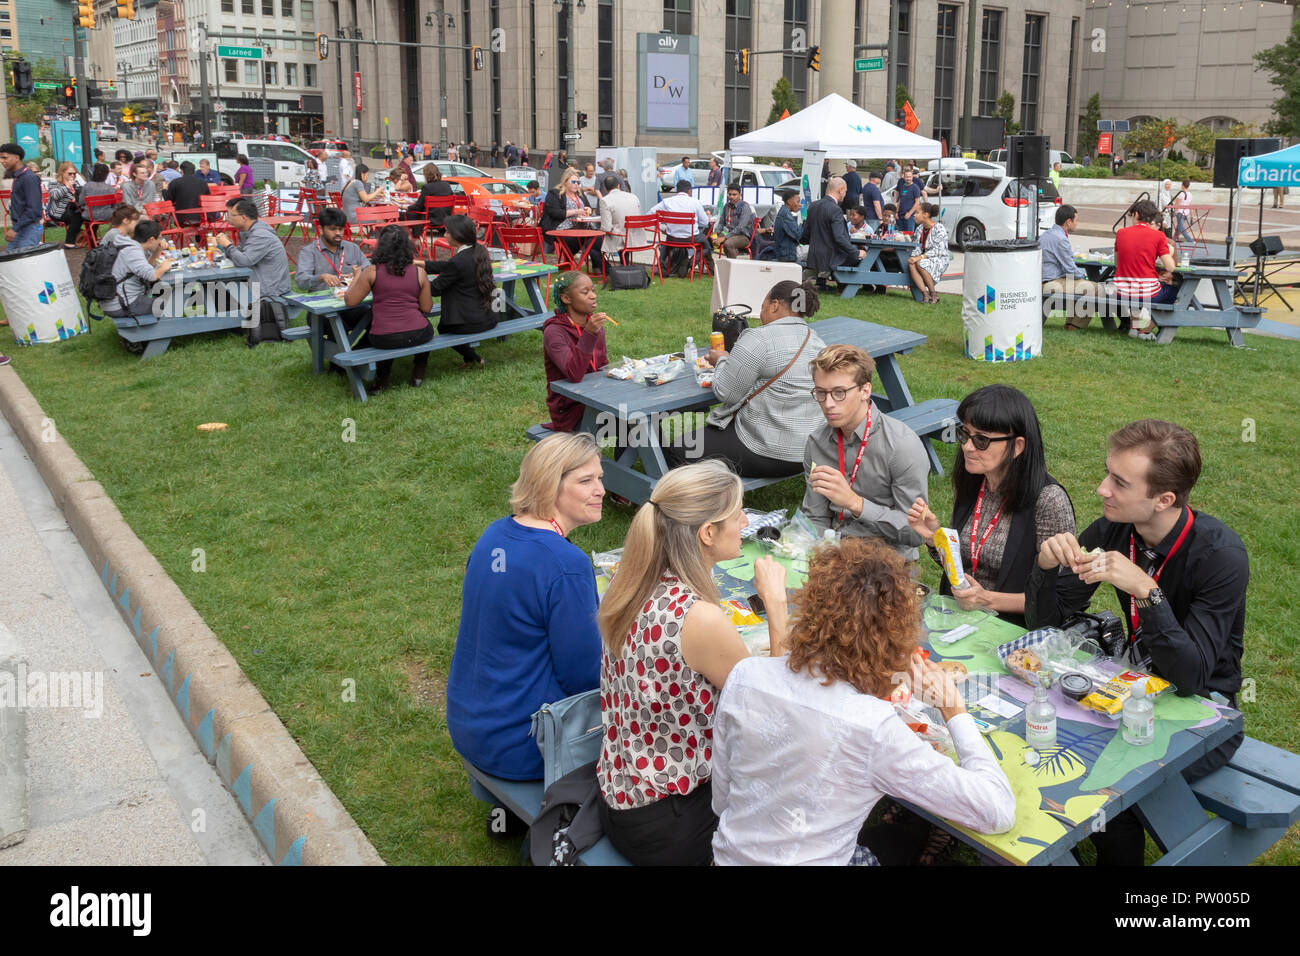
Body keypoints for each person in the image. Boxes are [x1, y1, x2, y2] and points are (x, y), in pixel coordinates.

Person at [710, 536, 1016, 866]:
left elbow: (722, 799)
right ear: (896, 635)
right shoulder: (872, 726)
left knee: (896, 841)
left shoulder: (745, 675)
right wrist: (954, 709)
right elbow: (995, 810)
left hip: (729, 859)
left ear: (812, 606)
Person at [1026, 419, 1248, 865]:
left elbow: (1191, 678)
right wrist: (1046, 568)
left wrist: (1149, 592)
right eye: (1108, 474)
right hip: (1130, 686)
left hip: (1205, 712)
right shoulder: (1116, 529)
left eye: (1119, 482)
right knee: (1037, 729)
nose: (1102, 489)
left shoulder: (1221, 556)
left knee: (1104, 777)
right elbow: (1046, 625)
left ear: (1163, 499)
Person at [596, 461, 788, 865]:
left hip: (624, 793)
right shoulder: (696, 618)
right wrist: (776, 605)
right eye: (738, 513)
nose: (745, 521)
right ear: (707, 533)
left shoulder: (630, 580)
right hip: (673, 823)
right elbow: (780, 710)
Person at [447, 431, 604, 821]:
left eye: (600, 477)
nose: (600, 490)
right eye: (585, 481)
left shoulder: (494, 534)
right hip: (523, 743)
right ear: (550, 484)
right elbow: (585, 676)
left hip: (471, 721)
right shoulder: (566, 564)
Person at [906, 385, 1075, 628]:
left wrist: (987, 599)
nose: (967, 447)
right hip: (961, 621)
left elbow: (1058, 600)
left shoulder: (1048, 500)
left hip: (1015, 632)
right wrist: (936, 539)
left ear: (1017, 446)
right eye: (964, 434)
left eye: (982, 440)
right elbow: (965, 569)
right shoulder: (974, 479)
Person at [666, 280, 826, 479]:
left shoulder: (758, 338)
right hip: (809, 451)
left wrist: (722, 360)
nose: (761, 313)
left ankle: (698, 504)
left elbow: (726, 393)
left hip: (767, 451)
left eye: (763, 306)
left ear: (775, 304)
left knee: (678, 449)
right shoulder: (817, 340)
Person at [801, 345, 929, 559]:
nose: (828, 404)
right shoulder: (817, 443)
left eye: (839, 393)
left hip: (887, 565)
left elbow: (917, 533)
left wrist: (855, 504)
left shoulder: (901, 446)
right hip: (833, 557)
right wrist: (820, 555)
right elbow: (815, 516)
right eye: (821, 393)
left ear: (865, 390)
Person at [343, 225, 433, 391]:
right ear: (407, 247)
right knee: (426, 325)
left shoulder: (371, 272)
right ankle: (418, 372)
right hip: (417, 334)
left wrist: (356, 276)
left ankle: (382, 379)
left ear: (381, 246)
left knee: (386, 331)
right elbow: (427, 308)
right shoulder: (419, 273)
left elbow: (350, 301)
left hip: (383, 337)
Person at [424, 214, 499, 369]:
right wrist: (421, 264)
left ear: (457, 235)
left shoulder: (458, 262)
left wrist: (416, 278)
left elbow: (434, 289)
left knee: (443, 328)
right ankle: (472, 359)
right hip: (490, 317)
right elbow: (449, 267)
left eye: (447, 232)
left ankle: (476, 359)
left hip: (472, 322)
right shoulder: (479, 250)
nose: (444, 235)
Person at [542, 271, 609, 432]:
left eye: (593, 290)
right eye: (585, 292)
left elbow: (602, 365)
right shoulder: (554, 332)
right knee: (636, 417)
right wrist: (589, 334)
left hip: (598, 399)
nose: (593, 296)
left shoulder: (592, 325)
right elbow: (574, 373)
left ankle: (628, 454)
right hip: (571, 412)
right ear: (566, 299)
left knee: (644, 412)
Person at [295, 206, 371, 336]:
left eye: (340, 229)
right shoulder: (309, 252)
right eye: (332, 229)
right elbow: (301, 281)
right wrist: (321, 277)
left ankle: (362, 351)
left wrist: (357, 275)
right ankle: (341, 353)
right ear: (320, 229)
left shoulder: (352, 248)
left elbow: (369, 270)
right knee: (336, 324)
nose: (338, 233)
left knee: (375, 316)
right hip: (321, 309)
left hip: (351, 304)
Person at [1112, 199, 1177, 340]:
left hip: (1121, 290)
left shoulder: (1121, 233)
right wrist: (1170, 251)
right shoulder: (1158, 236)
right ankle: (1145, 330)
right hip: (1146, 292)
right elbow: (1170, 266)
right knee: (1175, 293)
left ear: (1136, 214)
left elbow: (1117, 263)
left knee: (1135, 291)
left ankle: (1135, 328)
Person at [215, 197, 292, 298]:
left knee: (217, 291)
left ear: (244, 217)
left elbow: (244, 261)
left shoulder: (261, 235)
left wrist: (228, 245)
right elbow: (240, 255)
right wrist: (222, 247)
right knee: (215, 289)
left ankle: (242, 313)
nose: (227, 219)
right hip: (258, 282)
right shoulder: (248, 231)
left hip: (270, 290)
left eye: (231, 215)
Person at [97, 218, 175, 317]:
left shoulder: (131, 245)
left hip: (117, 301)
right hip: (123, 304)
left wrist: (158, 250)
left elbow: (146, 267)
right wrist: (163, 267)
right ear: (151, 239)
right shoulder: (133, 252)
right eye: (159, 238)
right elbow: (152, 276)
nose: (161, 241)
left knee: (164, 291)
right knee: (172, 302)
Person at [1041, 204, 1101, 330]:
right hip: (1051, 281)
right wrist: (1083, 277)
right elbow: (1070, 269)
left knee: (1076, 284)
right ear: (1068, 222)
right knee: (1096, 288)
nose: (1077, 223)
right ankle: (1075, 325)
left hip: (1044, 279)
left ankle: (1070, 323)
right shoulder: (1060, 239)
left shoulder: (1047, 234)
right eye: (1076, 220)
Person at [801, 177, 866, 283]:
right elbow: (839, 237)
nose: (845, 194)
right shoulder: (835, 210)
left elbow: (806, 235)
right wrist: (856, 252)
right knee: (864, 256)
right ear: (840, 190)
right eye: (845, 191)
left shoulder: (813, 206)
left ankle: (824, 283)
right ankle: (859, 287)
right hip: (832, 258)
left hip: (813, 255)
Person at [650, 180, 712, 278]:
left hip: (672, 238)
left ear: (676, 190)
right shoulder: (695, 202)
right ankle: (690, 264)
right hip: (690, 238)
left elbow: (650, 214)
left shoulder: (667, 202)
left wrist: (662, 227)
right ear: (689, 191)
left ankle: (661, 263)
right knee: (706, 245)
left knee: (667, 241)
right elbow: (704, 222)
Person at [2, 143, 45, 250]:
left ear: (16, 158)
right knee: (11, 262)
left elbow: (33, 209)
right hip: (21, 228)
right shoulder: (19, 177)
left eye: (5, 157)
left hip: (28, 229)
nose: (2, 161)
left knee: (24, 264)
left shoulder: (28, 178)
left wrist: (15, 229)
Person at [907, 203, 950, 304]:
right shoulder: (919, 229)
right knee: (911, 263)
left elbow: (939, 250)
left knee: (919, 262)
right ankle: (925, 295)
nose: (914, 215)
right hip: (924, 259)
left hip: (939, 259)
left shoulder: (939, 228)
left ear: (926, 214)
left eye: (917, 212)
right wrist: (914, 256)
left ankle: (934, 294)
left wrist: (919, 257)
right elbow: (916, 246)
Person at [599, 174, 643, 262]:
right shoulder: (634, 197)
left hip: (620, 238)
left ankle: (608, 270)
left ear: (605, 189)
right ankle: (623, 266)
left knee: (590, 245)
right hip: (637, 237)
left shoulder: (605, 200)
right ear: (618, 185)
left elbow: (606, 228)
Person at [756, 189, 802, 263]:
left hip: (784, 253)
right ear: (789, 201)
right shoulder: (786, 215)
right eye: (798, 201)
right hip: (786, 256)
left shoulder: (784, 213)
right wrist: (802, 225)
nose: (800, 204)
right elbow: (797, 235)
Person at [45, 162, 84, 249]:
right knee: (78, 216)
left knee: (87, 214)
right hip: (58, 211)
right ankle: (69, 243)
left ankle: (90, 238)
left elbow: (79, 197)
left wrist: (76, 196)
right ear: (62, 173)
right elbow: (55, 196)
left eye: (74, 173)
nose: (73, 175)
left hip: (72, 209)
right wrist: (66, 187)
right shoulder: (54, 183)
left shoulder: (76, 183)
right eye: (70, 173)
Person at [162, 161, 211, 227]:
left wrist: (164, 189)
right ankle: (198, 237)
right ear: (194, 171)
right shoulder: (203, 183)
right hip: (201, 217)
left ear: (182, 171)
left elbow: (169, 201)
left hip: (182, 218)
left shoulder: (175, 182)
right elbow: (207, 199)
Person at [714, 183, 755, 258]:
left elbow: (741, 228)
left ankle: (733, 267)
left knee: (728, 243)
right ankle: (710, 268)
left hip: (743, 236)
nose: (731, 197)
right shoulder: (726, 206)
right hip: (728, 234)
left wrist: (725, 237)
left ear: (740, 195)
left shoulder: (745, 207)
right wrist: (716, 233)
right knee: (708, 240)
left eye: (734, 194)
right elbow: (721, 223)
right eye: (729, 194)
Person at [415, 163, 455, 231]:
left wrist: (405, 207)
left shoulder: (427, 187)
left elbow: (418, 206)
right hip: (446, 218)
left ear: (426, 175)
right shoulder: (447, 185)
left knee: (409, 214)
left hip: (431, 219)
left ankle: (414, 236)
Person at [80, 163, 119, 227]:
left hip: (90, 215)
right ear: (107, 175)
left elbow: (81, 202)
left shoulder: (87, 186)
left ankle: (91, 235)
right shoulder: (111, 189)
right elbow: (114, 205)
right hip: (108, 215)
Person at [895, 166, 924, 232]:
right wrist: (896, 212)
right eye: (907, 177)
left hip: (910, 217)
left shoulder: (915, 187)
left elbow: (917, 202)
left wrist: (909, 213)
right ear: (904, 177)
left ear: (912, 177)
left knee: (909, 237)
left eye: (910, 177)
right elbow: (900, 200)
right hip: (900, 216)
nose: (908, 178)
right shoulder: (902, 187)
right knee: (900, 236)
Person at [1172, 180, 1194, 244]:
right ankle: (1173, 239)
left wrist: (1173, 213)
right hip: (1186, 213)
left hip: (1180, 213)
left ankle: (1192, 241)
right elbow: (1190, 205)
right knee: (1179, 227)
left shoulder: (1181, 194)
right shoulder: (1190, 194)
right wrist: (1192, 216)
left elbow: (1176, 205)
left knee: (1182, 229)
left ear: (1182, 185)